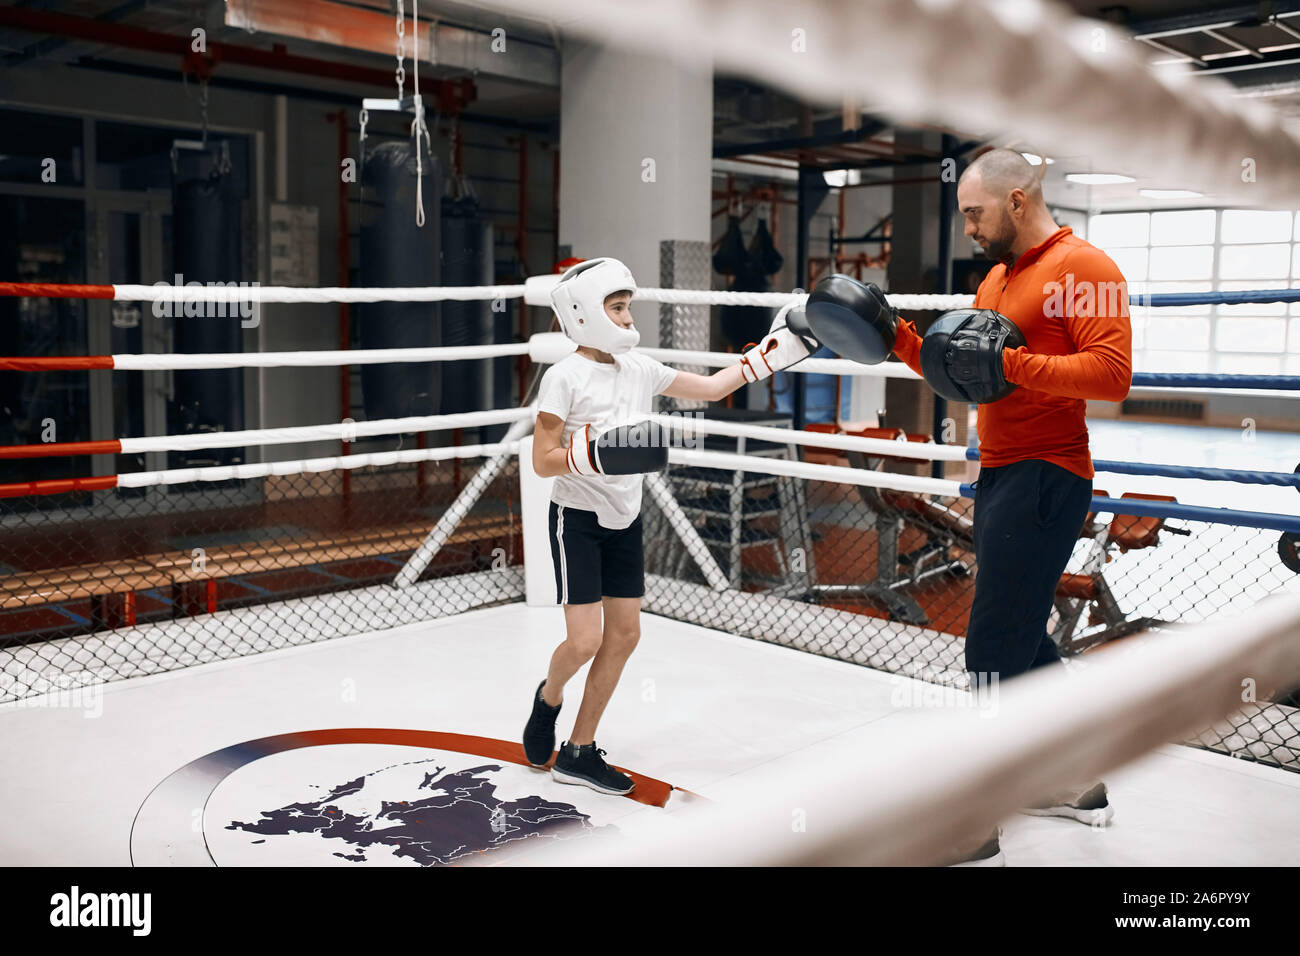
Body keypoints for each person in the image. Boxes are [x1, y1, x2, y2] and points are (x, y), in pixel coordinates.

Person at [807, 148, 1131, 864]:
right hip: (1002, 474)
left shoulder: (1087, 268)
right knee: (1024, 637)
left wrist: (1012, 363)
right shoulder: (995, 278)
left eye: (976, 214)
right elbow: (967, 372)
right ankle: (1075, 780)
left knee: (991, 646)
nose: (971, 230)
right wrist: (894, 338)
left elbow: (1112, 375)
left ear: (1017, 201)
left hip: (1048, 475)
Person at [523, 256, 816, 794]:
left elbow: (710, 389)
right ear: (586, 314)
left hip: (625, 516)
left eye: (627, 303)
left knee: (626, 635)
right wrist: (582, 458)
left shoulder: (641, 369)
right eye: (617, 305)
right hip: (577, 519)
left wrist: (776, 355)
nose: (628, 314)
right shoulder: (564, 377)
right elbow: (542, 458)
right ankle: (548, 698)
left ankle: (579, 751)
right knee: (585, 641)